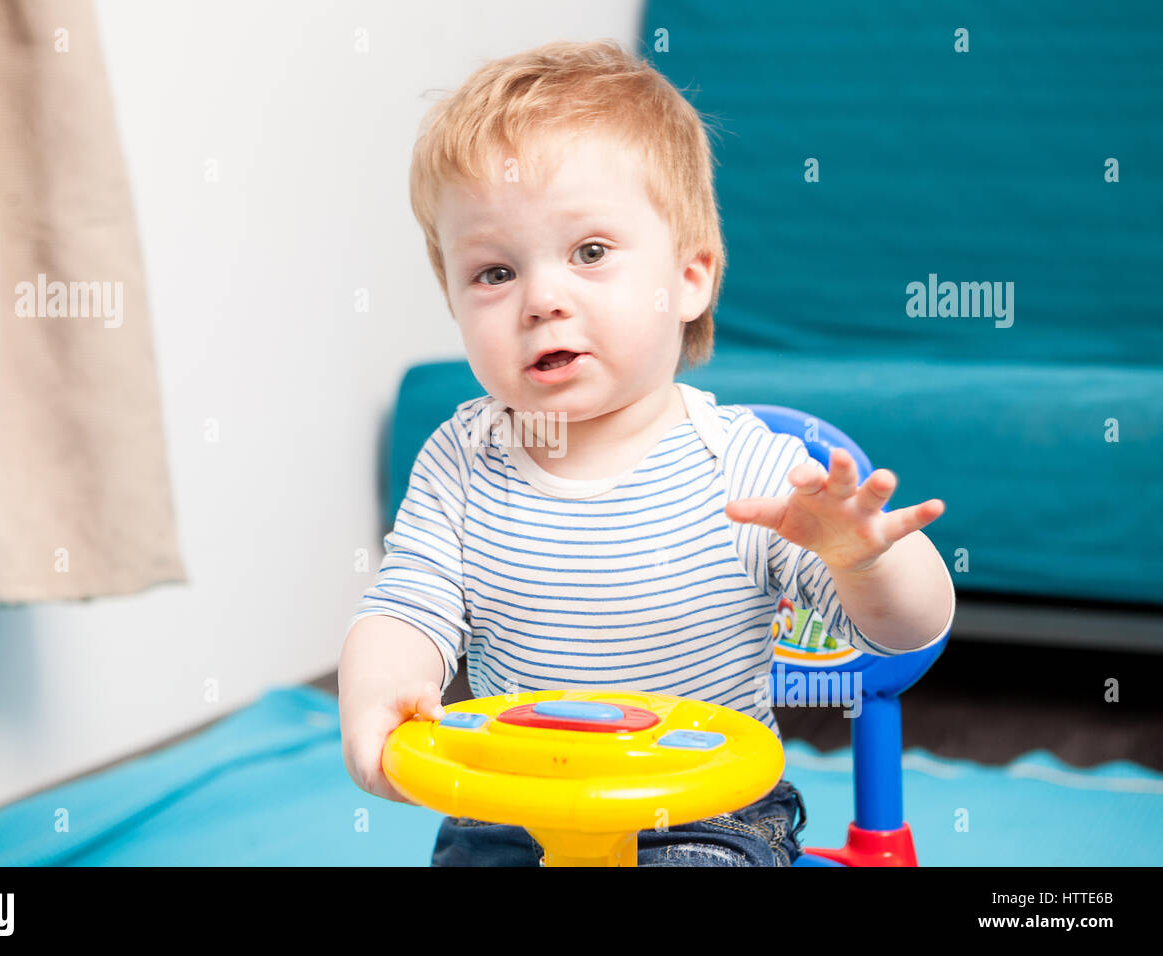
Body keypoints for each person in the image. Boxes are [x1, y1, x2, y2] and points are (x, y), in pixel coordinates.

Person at [339, 38, 955, 866]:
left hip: (701, 815)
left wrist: (865, 561)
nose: (543, 300)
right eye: (493, 272)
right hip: (514, 804)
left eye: (590, 253)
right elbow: (406, 607)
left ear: (690, 278)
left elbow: (908, 631)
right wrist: (379, 696)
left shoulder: (747, 465)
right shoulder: (461, 461)